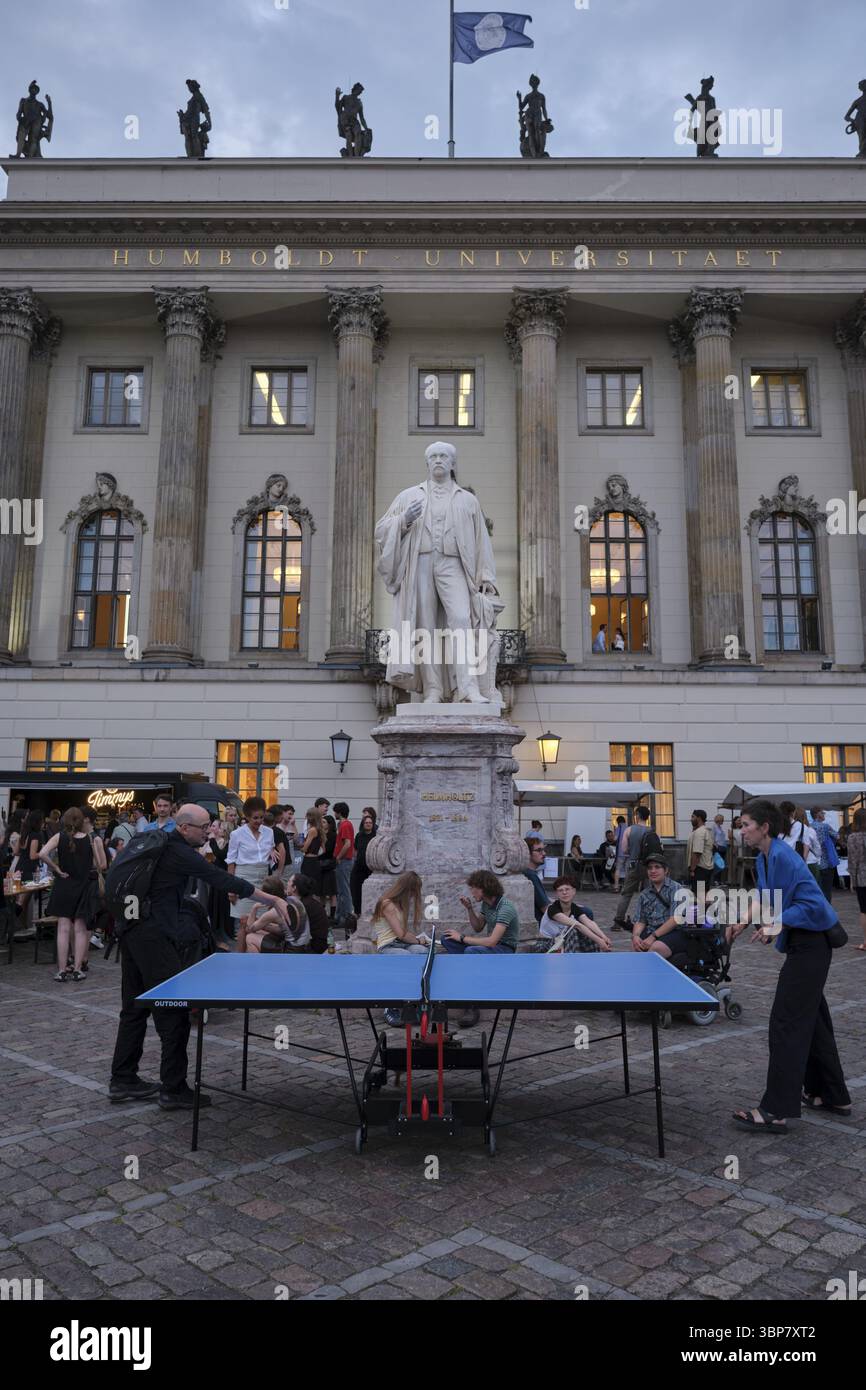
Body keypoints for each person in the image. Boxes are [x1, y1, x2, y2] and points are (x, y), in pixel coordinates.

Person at [108, 805, 290, 1108]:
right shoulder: (178, 852)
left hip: (132, 931)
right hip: (154, 937)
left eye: (211, 825)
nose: (210, 831)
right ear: (184, 828)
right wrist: (271, 897)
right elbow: (222, 880)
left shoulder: (159, 842)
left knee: (133, 1010)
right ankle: (173, 1089)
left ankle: (123, 1080)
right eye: (205, 826)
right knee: (175, 1011)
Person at [731, 798, 851, 1133]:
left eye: (745, 825)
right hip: (802, 944)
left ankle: (776, 1110)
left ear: (764, 827)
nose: (741, 831)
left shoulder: (783, 855)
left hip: (812, 946)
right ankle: (832, 1094)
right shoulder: (765, 856)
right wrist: (744, 922)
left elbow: (813, 906)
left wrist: (777, 923)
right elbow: (764, 896)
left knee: (786, 1022)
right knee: (813, 1022)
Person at [442, 870, 521, 1029]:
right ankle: (467, 969)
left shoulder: (506, 908)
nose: (471, 892)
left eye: (474, 888)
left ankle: (472, 1006)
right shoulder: (486, 904)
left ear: (485, 888)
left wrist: (463, 938)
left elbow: (492, 942)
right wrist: (469, 909)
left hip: (504, 950)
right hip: (488, 947)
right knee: (447, 939)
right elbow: (478, 927)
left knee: (471, 951)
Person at [39, 807, 107, 982]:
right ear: (81, 821)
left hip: (64, 885)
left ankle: (61, 970)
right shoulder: (91, 839)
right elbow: (100, 865)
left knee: (63, 930)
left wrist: (57, 869)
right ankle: (77, 969)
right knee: (80, 930)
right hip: (84, 886)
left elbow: (42, 854)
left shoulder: (59, 837)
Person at [227, 797, 274, 931]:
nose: (259, 821)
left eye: (261, 817)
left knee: (263, 921)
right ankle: (242, 951)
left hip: (263, 879)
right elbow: (231, 861)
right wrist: (231, 888)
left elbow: (271, 853)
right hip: (243, 878)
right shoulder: (237, 834)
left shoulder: (269, 832)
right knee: (243, 923)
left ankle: (256, 948)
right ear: (247, 817)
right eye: (255, 818)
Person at [630, 854, 689, 959]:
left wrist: (653, 936)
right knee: (638, 946)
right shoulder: (644, 894)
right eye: (650, 868)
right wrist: (635, 936)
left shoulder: (676, 889)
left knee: (656, 948)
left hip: (675, 932)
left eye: (657, 867)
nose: (653, 871)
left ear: (666, 870)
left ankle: (646, 974)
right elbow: (640, 920)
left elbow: (675, 919)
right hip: (651, 930)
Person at [612, 806, 662, 929]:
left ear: (638, 815)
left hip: (633, 865)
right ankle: (651, 920)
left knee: (626, 894)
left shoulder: (629, 830)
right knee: (651, 893)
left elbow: (624, 850)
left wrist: (633, 850)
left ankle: (618, 921)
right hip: (650, 867)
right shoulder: (652, 831)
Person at [539, 876, 610, 952]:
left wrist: (603, 937)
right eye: (560, 890)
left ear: (574, 891)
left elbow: (589, 922)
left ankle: (592, 959)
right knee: (573, 930)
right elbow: (577, 925)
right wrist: (599, 941)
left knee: (588, 931)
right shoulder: (552, 909)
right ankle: (572, 961)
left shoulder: (574, 908)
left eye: (567, 889)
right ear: (557, 894)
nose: (564, 893)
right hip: (546, 945)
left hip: (562, 942)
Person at [372, 872, 426, 953]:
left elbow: (404, 932)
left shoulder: (401, 905)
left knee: (423, 951)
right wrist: (418, 941)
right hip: (387, 945)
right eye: (414, 892)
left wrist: (418, 940)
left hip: (402, 944)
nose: (414, 896)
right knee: (405, 955)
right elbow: (401, 934)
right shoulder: (387, 904)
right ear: (407, 890)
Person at [237, 874, 291, 953]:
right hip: (285, 937)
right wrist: (263, 924)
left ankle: (256, 963)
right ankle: (240, 956)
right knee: (244, 920)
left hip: (286, 945)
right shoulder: (286, 898)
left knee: (250, 937)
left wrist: (254, 908)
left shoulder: (273, 912)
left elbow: (249, 929)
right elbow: (281, 928)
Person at [291, 872, 329, 954]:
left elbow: (288, 932)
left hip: (313, 949)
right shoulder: (307, 901)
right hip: (319, 944)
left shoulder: (302, 905)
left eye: (289, 882)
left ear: (294, 888)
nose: (286, 884)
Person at [845, 807, 866, 951]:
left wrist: (852, 879)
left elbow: (853, 861)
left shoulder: (853, 838)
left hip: (861, 877)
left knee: (864, 910)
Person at [810, 807, 839, 903]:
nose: (824, 815)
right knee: (827, 890)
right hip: (827, 862)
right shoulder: (825, 826)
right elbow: (837, 836)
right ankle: (827, 912)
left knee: (817, 889)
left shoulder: (809, 827)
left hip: (814, 863)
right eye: (822, 813)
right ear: (817, 814)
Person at [333, 802, 355, 925]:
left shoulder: (345, 825)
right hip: (344, 860)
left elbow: (347, 844)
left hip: (344, 860)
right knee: (341, 890)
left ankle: (347, 917)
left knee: (344, 890)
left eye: (335, 811)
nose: (334, 813)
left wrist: (339, 857)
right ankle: (341, 917)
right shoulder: (344, 824)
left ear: (339, 812)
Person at [351, 809, 377, 913]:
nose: (368, 824)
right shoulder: (359, 835)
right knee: (356, 891)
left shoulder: (376, 836)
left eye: (370, 823)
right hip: (359, 868)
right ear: (363, 824)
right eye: (366, 823)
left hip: (371, 869)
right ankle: (358, 912)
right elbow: (355, 850)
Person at [687, 808, 714, 897]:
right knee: (704, 893)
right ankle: (708, 910)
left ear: (699, 818)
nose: (691, 819)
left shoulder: (699, 832)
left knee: (698, 894)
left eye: (693, 817)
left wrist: (692, 869)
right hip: (706, 868)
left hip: (700, 868)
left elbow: (697, 853)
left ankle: (696, 911)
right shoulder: (705, 831)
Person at [300, 806, 328, 893]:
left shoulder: (312, 830)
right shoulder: (320, 830)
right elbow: (324, 850)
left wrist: (300, 846)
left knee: (306, 886)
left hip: (308, 861)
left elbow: (305, 849)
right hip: (315, 861)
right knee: (314, 887)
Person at [523, 837, 550, 922]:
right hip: (541, 923)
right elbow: (546, 909)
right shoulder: (530, 875)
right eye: (539, 850)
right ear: (528, 853)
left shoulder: (528, 873)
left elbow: (543, 899)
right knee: (586, 912)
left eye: (543, 850)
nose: (544, 853)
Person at [612, 814, 627, 889]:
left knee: (618, 869)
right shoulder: (629, 828)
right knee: (627, 870)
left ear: (618, 822)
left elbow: (615, 839)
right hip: (629, 852)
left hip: (621, 852)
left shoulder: (619, 828)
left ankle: (616, 886)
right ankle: (626, 887)